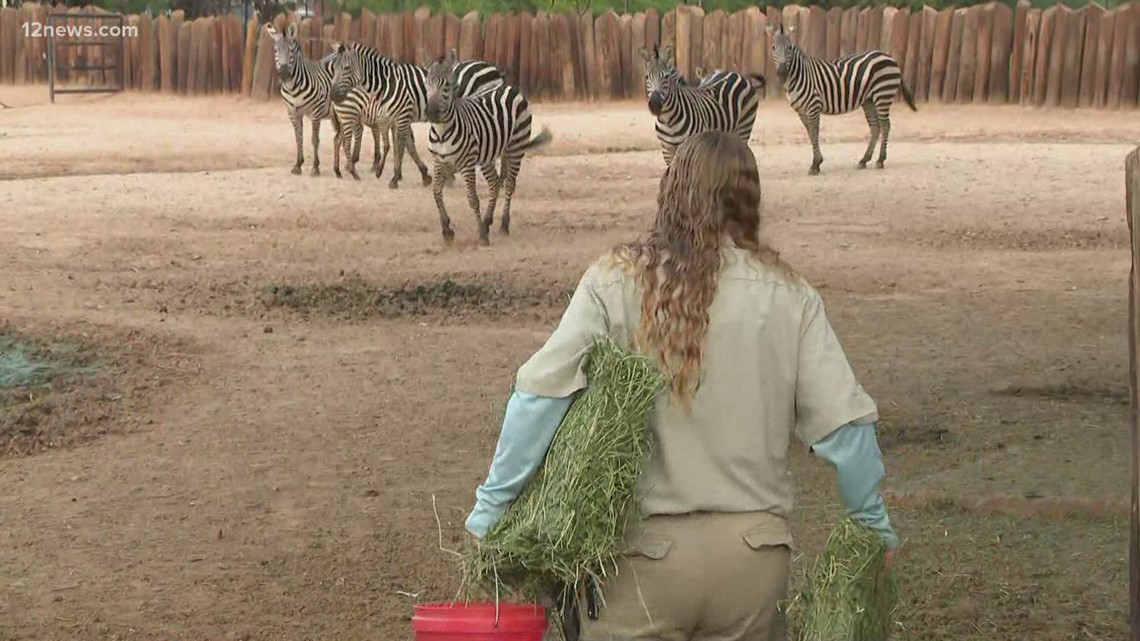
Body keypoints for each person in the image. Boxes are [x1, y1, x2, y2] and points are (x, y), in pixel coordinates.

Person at [464, 130, 898, 641]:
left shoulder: (615, 280)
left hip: (640, 563)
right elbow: (845, 427)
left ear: (672, 190)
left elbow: (539, 397)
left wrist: (490, 509)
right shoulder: (790, 294)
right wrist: (873, 524)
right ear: (749, 198)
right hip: (754, 561)